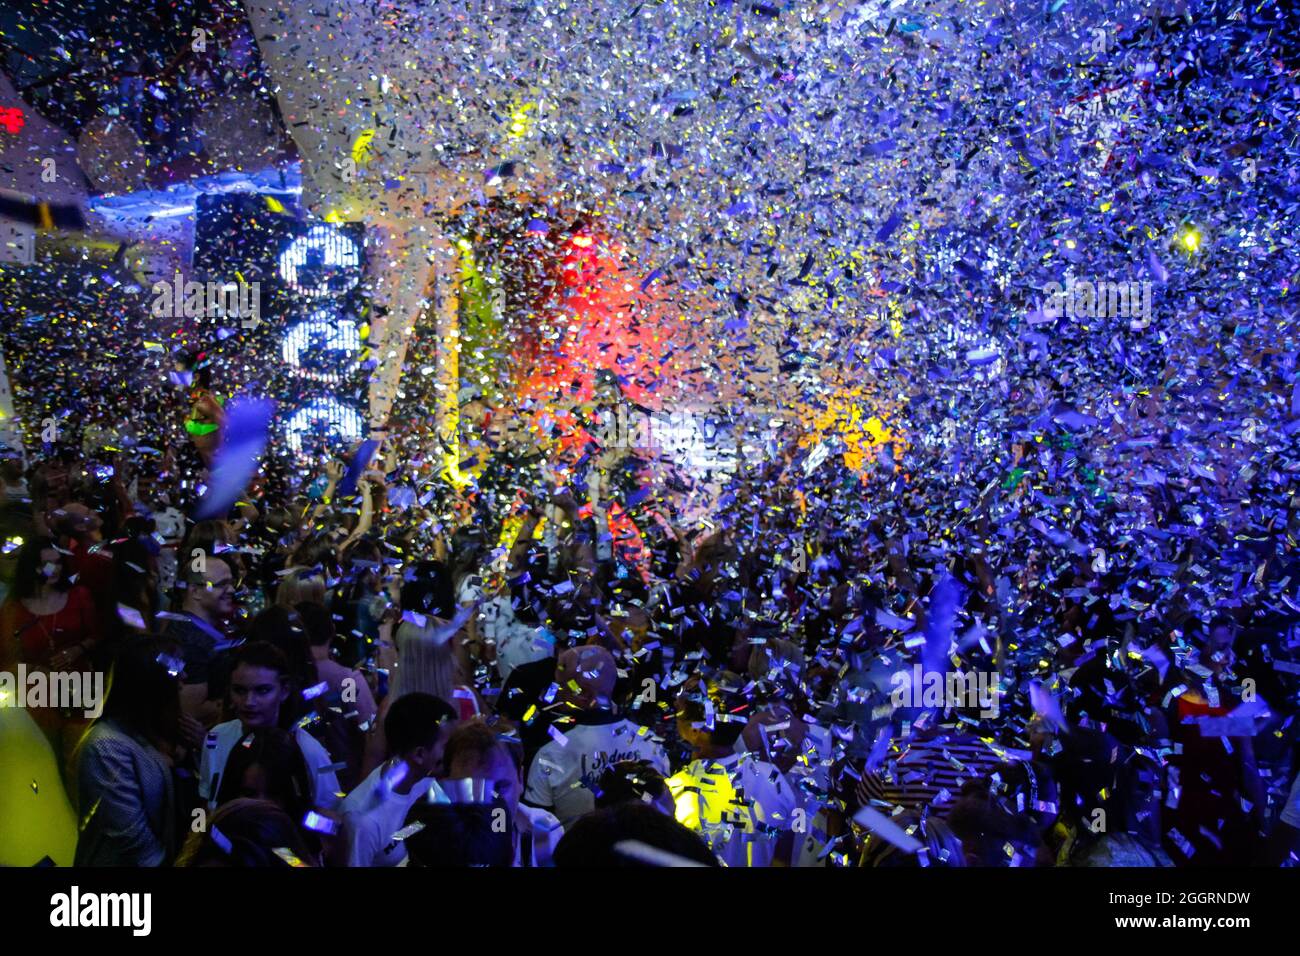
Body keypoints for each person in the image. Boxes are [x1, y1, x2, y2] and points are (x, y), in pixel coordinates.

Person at [524, 645, 669, 828]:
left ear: (583, 693)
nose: (555, 693)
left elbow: (537, 832)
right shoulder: (652, 743)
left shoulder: (550, 754)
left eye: (560, 686)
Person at [73, 638, 183, 866]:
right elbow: (133, 839)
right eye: (174, 670)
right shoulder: (105, 747)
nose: (183, 678)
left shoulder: (150, 729)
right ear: (147, 684)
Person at [197, 641, 341, 812]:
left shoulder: (309, 751)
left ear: (284, 691)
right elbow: (207, 805)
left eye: (262, 691)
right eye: (240, 690)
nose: (249, 702)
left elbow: (332, 822)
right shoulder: (216, 736)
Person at [339, 692, 455, 867]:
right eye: (447, 746)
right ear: (419, 754)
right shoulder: (362, 821)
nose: (455, 750)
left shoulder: (426, 778)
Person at [441, 719, 563, 866]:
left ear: (520, 779)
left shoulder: (546, 829)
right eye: (470, 789)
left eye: (499, 788)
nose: (486, 806)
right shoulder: (427, 843)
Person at [163, 555, 235, 727]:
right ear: (195, 591)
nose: (232, 590)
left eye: (232, 583)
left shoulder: (196, 629)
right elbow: (191, 711)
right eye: (222, 584)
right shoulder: (190, 641)